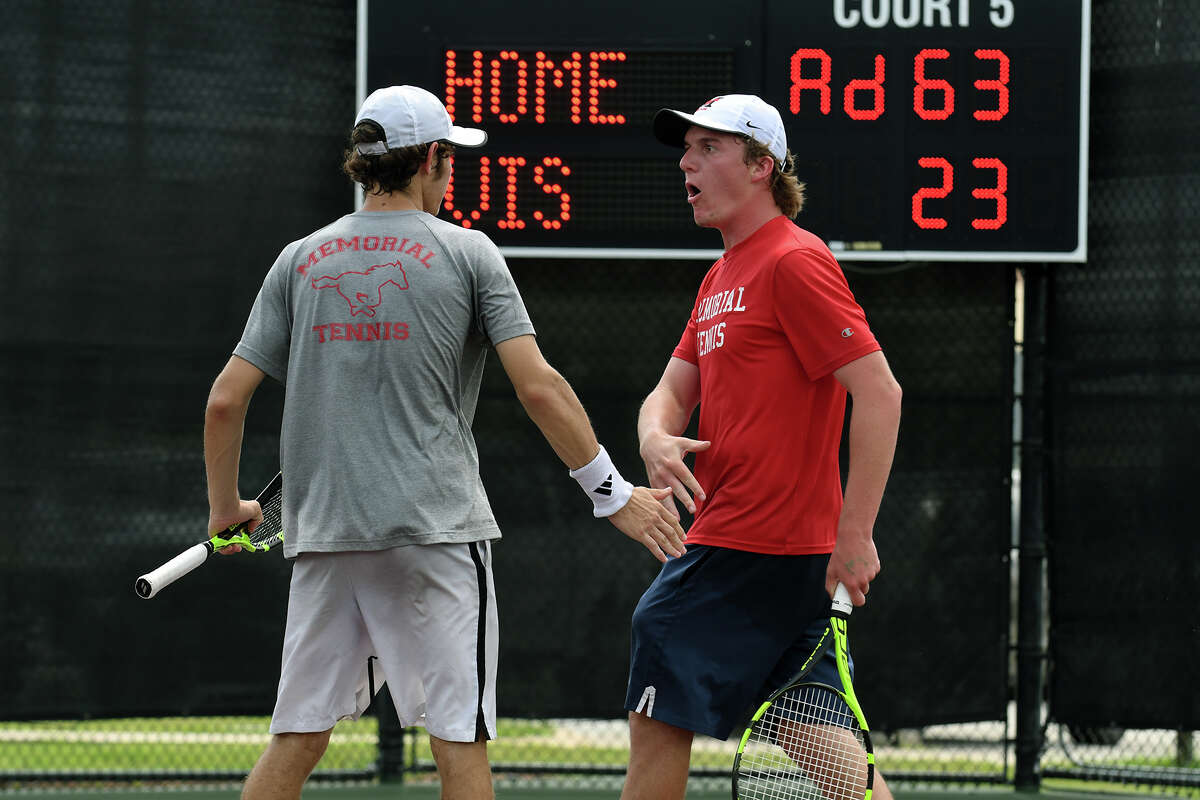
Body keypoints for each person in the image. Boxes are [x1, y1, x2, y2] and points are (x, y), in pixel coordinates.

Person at [202, 84, 688, 800]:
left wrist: (225, 510)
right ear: (431, 158)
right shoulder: (469, 252)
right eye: (450, 160)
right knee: (459, 743)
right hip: (437, 535)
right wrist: (611, 495)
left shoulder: (297, 260)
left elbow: (224, 401)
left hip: (325, 540)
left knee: (297, 740)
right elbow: (539, 388)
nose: (450, 174)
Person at [620, 94, 903, 800]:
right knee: (818, 739)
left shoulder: (793, 261)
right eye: (687, 149)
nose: (686, 163)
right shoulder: (721, 276)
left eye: (708, 148)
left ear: (760, 167)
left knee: (658, 643)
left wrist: (856, 535)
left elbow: (880, 393)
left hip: (753, 546)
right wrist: (654, 437)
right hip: (775, 555)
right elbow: (668, 392)